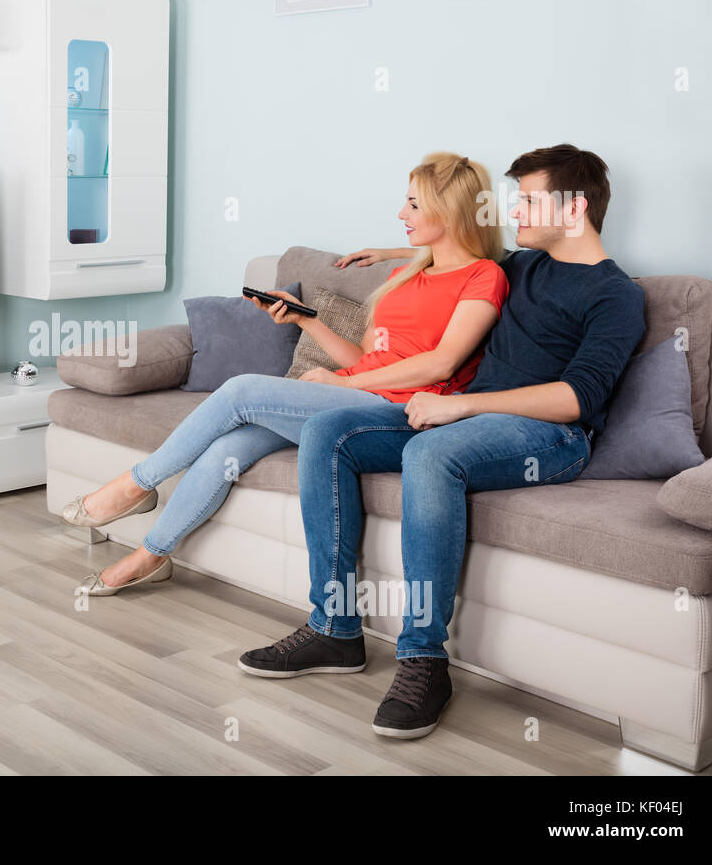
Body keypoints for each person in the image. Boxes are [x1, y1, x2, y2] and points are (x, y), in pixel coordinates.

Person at [237, 144, 646, 741]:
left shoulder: (616, 293)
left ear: (575, 207)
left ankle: (424, 660)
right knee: (329, 431)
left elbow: (577, 398)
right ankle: (335, 629)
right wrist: (397, 251)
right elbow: (463, 241)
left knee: (430, 452)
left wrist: (463, 403)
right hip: (465, 422)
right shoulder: (523, 266)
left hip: (551, 438)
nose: (515, 211)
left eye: (529, 200)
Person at [65, 152, 510, 597]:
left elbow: (443, 362)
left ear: (450, 209)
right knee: (228, 447)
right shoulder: (403, 275)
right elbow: (365, 355)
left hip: (398, 409)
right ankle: (152, 555)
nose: (401, 213)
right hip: (357, 391)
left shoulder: (484, 276)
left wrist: (344, 383)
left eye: (413, 204)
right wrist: (305, 322)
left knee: (240, 392)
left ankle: (134, 484)